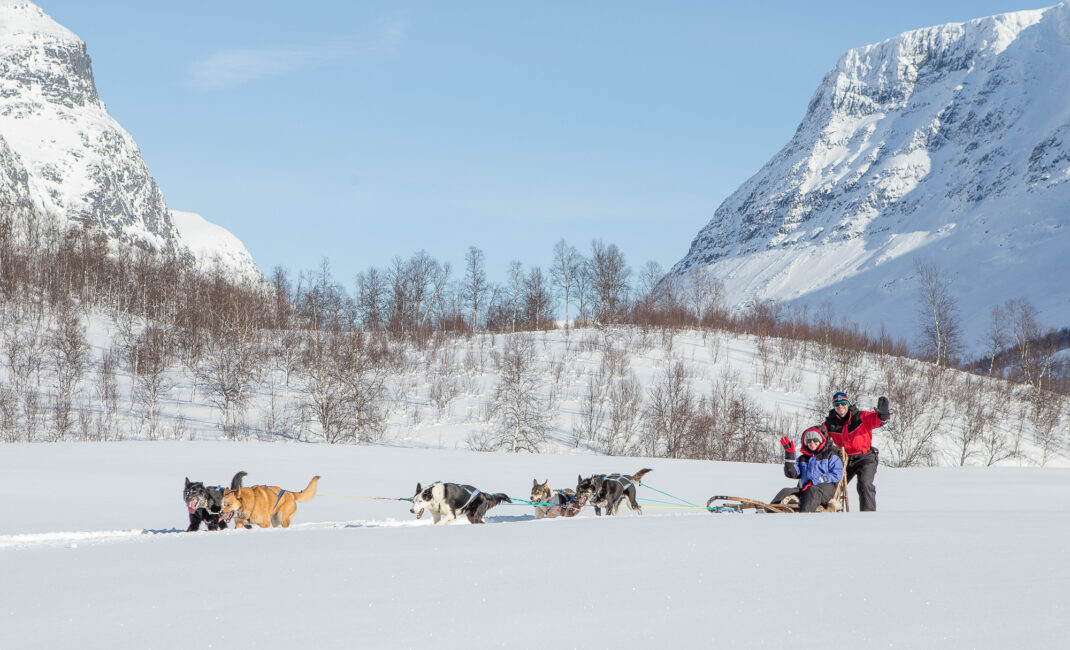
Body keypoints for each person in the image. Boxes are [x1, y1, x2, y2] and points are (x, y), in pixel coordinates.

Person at [822, 391, 889, 512]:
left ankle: (867, 515)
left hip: (865, 457)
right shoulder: (830, 423)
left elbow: (875, 419)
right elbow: (819, 435)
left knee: (864, 484)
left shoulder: (861, 417)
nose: (840, 407)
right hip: (845, 459)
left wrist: (882, 416)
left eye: (843, 404)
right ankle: (827, 511)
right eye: (837, 405)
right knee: (834, 485)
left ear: (848, 404)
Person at [773, 427, 844, 512]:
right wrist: (790, 455)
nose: (812, 443)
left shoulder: (831, 455)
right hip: (806, 489)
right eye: (809, 441)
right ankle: (770, 512)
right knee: (786, 491)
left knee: (812, 490)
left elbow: (836, 474)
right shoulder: (803, 458)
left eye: (815, 440)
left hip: (826, 489)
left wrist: (815, 481)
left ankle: (805, 516)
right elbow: (792, 474)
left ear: (821, 441)